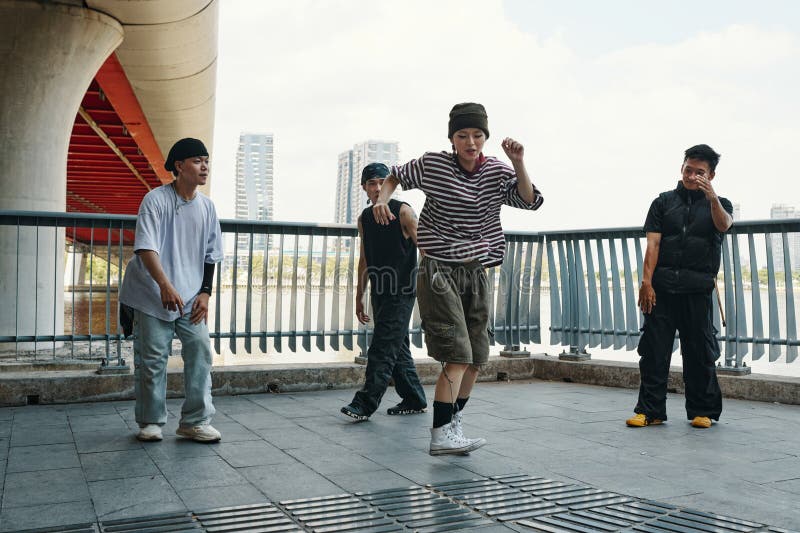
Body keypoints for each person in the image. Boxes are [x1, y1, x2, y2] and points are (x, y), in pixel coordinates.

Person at [373, 103, 543, 455]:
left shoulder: (496, 171)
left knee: (477, 357)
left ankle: (452, 424)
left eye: (478, 135)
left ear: (485, 138)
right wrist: (382, 201)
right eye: (462, 135)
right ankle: (440, 435)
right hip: (438, 269)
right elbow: (395, 175)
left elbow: (529, 200)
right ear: (452, 138)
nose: (471, 142)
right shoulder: (434, 165)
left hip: (476, 271)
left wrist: (518, 162)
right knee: (458, 354)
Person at [120, 138, 223, 443]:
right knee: (152, 359)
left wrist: (205, 293)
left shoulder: (207, 207)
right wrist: (164, 285)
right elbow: (146, 247)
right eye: (197, 160)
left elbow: (211, 255)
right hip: (151, 292)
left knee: (200, 352)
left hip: (190, 295)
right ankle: (151, 421)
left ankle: (195, 421)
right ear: (179, 166)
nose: (204, 167)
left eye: (206, 161)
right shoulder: (155, 200)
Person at [627, 144, 733, 429]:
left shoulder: (721, 204)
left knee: (699, 352)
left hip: (697, 289)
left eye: (699, 172)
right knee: (653, 352)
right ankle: (650, 411)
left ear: (711, 175)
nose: (691, 176)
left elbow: (724, 225)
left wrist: (712, 198)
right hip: (661, 289)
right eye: (688, 170)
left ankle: (703, 411)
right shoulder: (662, 202)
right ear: (681, 168)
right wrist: (646, 283)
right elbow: (653, 244)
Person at [340, 163, 428, 421]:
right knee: (396, 346)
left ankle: (364, 404)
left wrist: (428, 289)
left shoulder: (404, 212)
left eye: (382, 182)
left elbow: (426, 250)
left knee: (381, 348)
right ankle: (414, 398)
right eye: (372, 183)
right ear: (364, 188)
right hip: (379, 292)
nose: (378, 188)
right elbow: (364, 259)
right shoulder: (364, 219)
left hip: (402, 292)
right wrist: (359, 297)